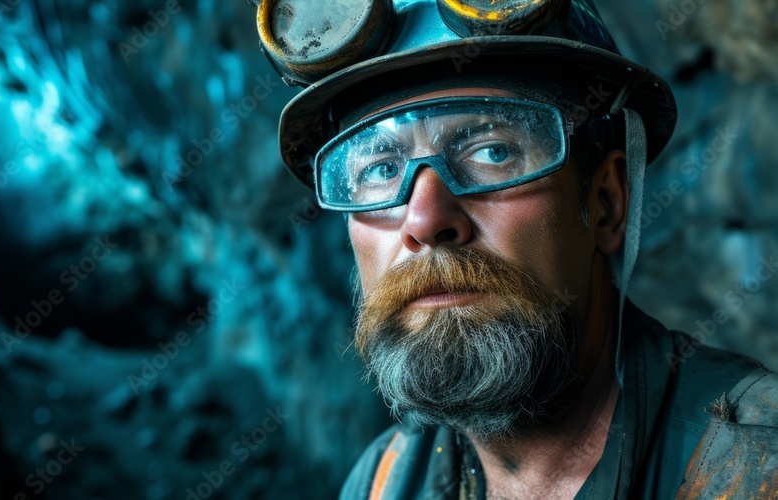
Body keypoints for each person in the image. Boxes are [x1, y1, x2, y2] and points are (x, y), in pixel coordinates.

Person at [253, 0, 778, 498]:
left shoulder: (757, 464)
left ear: (607, 203)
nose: (425, 219)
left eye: (493, 152)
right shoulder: (384, 482)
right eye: (380, 169)